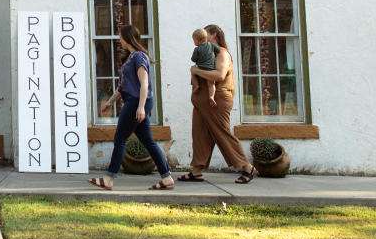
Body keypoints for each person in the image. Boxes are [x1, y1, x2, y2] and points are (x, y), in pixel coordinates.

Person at [87, 24, 175, 191]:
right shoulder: (131, 57)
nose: (119, 40)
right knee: (148, 141)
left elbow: (144, 83)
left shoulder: (139, 57)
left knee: (120, 139)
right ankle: (167, 178)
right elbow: (123, 87)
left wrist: (141, 107)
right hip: (133, 100)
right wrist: (110, 102)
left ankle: (109, 179)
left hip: (136, 102)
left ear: (128, 38)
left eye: (120, 36)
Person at [179, 23, 258, 184]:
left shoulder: (222, 53)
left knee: (222, 133)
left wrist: (195, 70)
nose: (202, 36)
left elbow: (220, 75)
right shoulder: (205, 52)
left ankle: (247, 167)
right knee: (200, 134)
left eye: (206, 33)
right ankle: (197, 171)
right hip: (201, 102)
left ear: (214, 35)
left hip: (217, 100)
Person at [190, 28, 220, 107]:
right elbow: (218, 50)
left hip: (200, 68)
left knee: (192, 71)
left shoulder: (197, 49)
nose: (194, 42)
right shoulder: (211, 45)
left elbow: (193, 59)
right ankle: (211, 96)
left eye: (194, 40)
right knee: (211, 84)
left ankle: (196, 85)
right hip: (210, 69)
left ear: (197, 40)